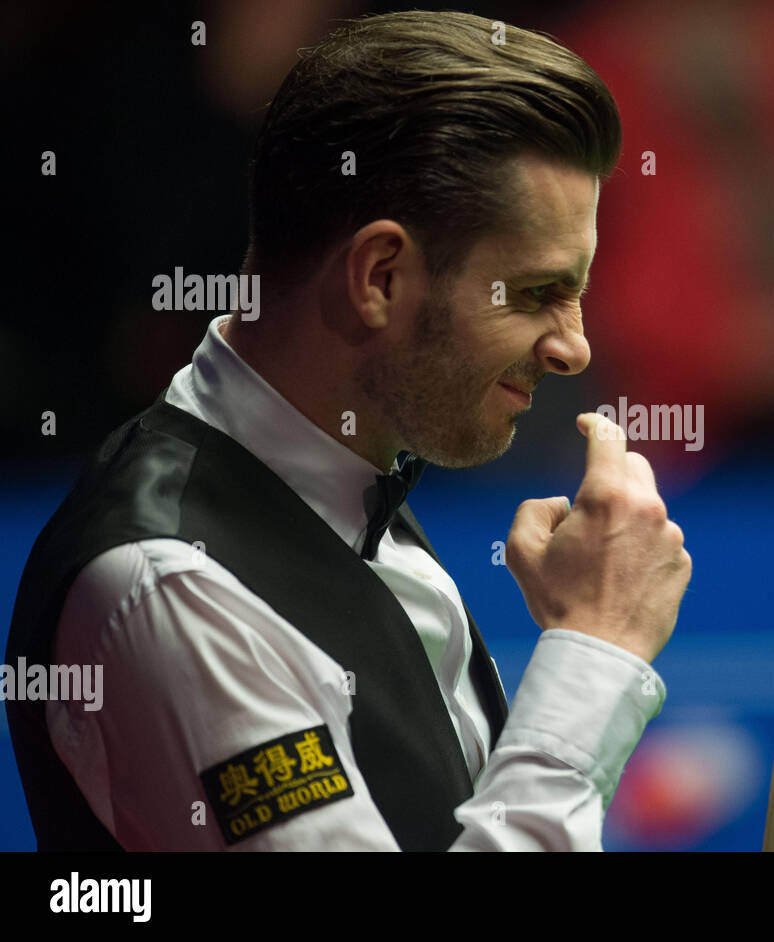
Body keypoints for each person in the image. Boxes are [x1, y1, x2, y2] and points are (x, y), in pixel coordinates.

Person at [5, 10, 691, 851]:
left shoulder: (346, 474)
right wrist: (596, 649)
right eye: (538, 291)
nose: (574, 345)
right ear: (381, 277)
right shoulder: (170, 586)